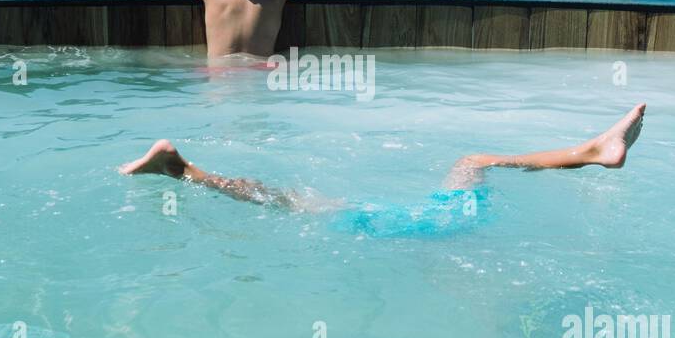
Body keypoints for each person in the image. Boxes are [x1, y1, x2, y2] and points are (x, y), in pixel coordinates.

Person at [119, 104, 646, 236]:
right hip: (441, 219)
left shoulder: (375, 220)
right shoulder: (445, 212)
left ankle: (182, 169)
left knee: (283, 198)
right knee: (472, 161)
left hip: (407, 223)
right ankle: (592, 150)